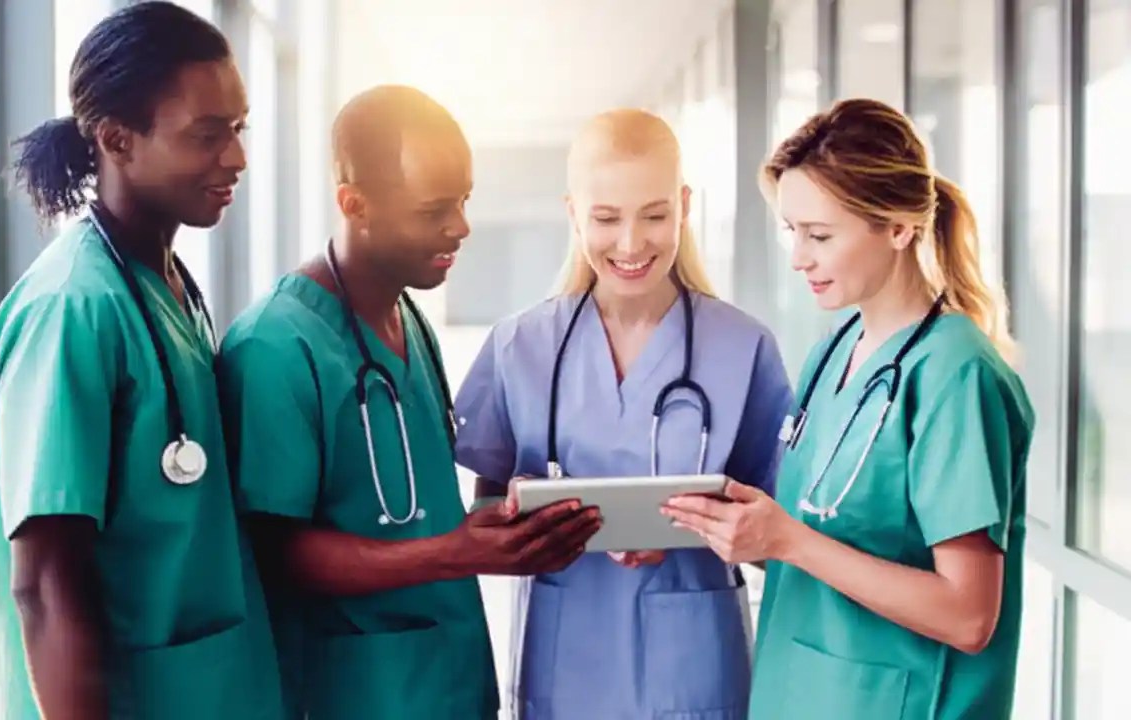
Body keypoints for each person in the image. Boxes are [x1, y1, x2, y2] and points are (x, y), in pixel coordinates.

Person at [216, 84, 603, 720]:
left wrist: (504, 524)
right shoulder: (275, 346)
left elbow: (416, 508)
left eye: (464, 201)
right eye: (433, 211)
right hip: (354, 694)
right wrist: (457, 552)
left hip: (449, 682)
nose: (462, 227)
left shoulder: (409, 320)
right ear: (354, 204)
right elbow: (275, 552)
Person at [661, 98, 1035, 720]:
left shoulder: (955, 375)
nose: (799, 257)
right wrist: (719, 531)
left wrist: (788, 540)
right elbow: (821, 536)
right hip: (796, 694)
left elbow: (969, 615)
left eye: (820, 235)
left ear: (898, 228)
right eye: (792, 232)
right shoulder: (834, 352)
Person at [0, 4, 282, 718]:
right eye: (207, 135)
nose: (236, 158)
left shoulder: (164, 281)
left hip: (208, 689)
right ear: (117, 139)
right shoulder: (71, 308)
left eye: (238, 130)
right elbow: (44, 583)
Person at [453, 108, 792, 719]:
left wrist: (699, 531)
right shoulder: (520, 345)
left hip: (694, 670)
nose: (631, 244)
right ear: (574, 214)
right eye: (607, 218)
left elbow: (779, 535)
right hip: (566, 666)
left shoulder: (743, 347)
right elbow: (484, 516)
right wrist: (524, 519)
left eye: (654, 215)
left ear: (684, 206)